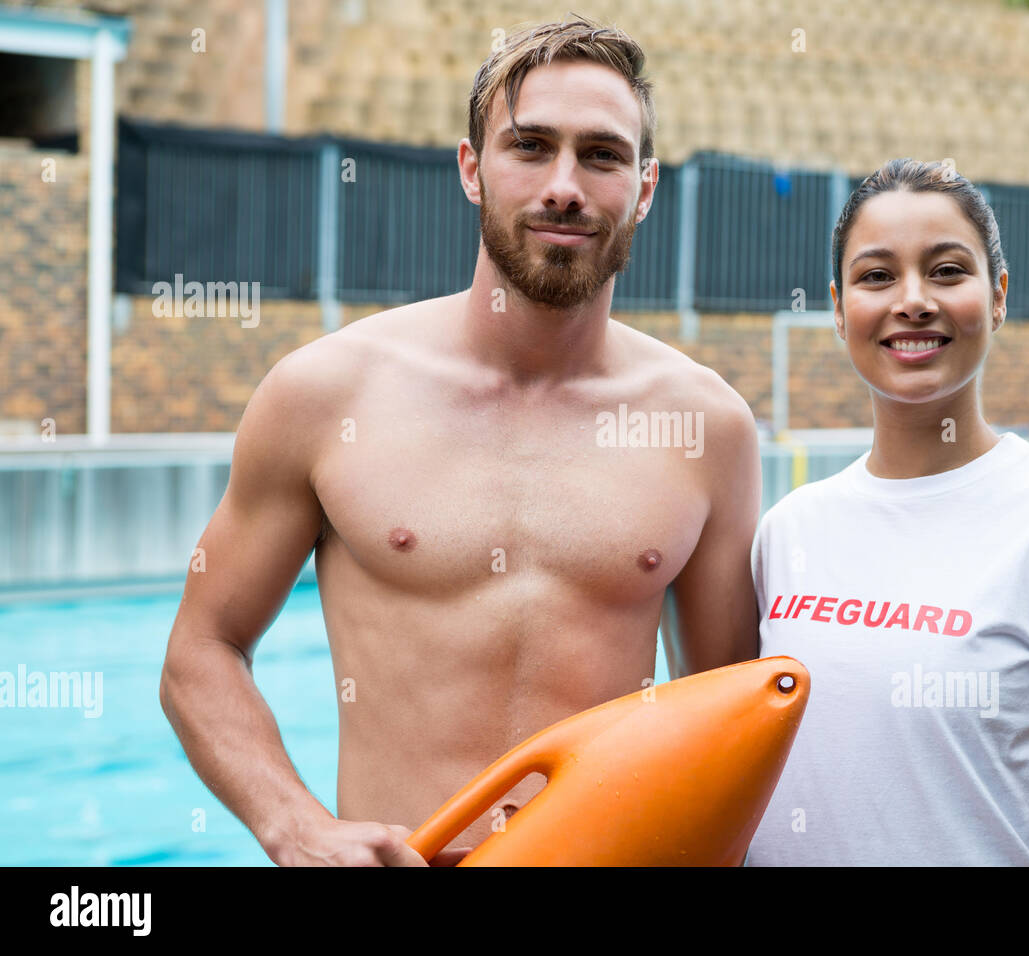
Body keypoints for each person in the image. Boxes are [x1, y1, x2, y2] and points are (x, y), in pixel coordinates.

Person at [159, 16, 761, 866]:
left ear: (646, 186)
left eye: (602, 154)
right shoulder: (327, 393)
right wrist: (294, 825)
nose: (565, 185)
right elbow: (201, 649)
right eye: (530, 147)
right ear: (473, 171)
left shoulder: (708, 428)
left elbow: (725, 719)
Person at [744, 158, 1029, 866]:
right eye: (877, 276)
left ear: (998, 296)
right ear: (839, 307)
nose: (913, 300)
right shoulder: (788, 532)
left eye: (946, 271)